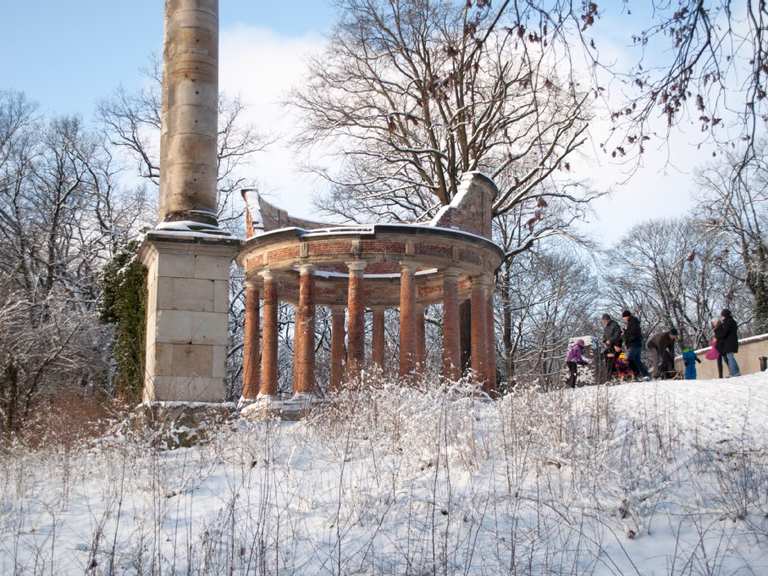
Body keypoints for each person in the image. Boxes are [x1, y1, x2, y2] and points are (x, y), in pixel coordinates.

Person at [621, 310, 650, 380]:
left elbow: (633, 333)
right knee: (637, 361)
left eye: (624, 317)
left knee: (629, 359)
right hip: (637, 344)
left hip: (634, 344)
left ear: (627, 316)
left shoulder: (632, 322)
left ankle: (636, 375)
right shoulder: (632, 322)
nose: (624, 319)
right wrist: (625, 331)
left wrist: (625, 332)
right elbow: (632, 332)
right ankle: (645, 375)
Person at [717, 309, 741, 377]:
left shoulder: (727, 322)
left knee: (730, 357)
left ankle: (734, 373)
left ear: (725, 315)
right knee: (730, 357)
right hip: (732, 342)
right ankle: (736, 372)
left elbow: (724, 333)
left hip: (729, 343)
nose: (721, 317)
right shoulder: (732, 321)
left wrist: (718, 336)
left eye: (722, 315)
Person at [601, 314, 622, 379]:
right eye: (603, 321)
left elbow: (617, 335)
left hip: (615, 346)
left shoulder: (615, 325)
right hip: (609, 347)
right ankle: (611, 377)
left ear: (608, 319)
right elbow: (604, 336)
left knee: (613, 361)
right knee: (607, 360)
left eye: (604, 320)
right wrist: (604, 341)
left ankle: (612, 377)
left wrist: (611, 341)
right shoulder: (606, 327)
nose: (603, 322)